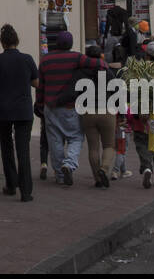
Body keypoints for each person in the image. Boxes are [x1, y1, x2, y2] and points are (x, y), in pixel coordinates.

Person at [35, 30, 107, 187]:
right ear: (71, 44)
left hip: (50, 106)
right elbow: (98, 64)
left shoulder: (45, 60)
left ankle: (60, 175)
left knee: (55, 141)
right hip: (70, 107)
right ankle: (69, 163)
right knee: (76, 137)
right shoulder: (76, 57)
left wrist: (39, 104)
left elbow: (40, 86)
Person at [0, 24, 39, 202]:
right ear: (17, 40)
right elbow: (36, 83)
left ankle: (11, 184)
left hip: (4, 109)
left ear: (2, 42)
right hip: (23, 110)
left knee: (6, 147)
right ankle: (26, 191)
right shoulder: (27, 59)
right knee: (23, 150)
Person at [80, 44, 118, 188]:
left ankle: (97, 178)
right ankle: (104, 168)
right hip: (107, 110)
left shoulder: (82, 72)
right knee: (109, 145)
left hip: (88, 112)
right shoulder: (107, 72)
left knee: (93, 147)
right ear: (101, 56)